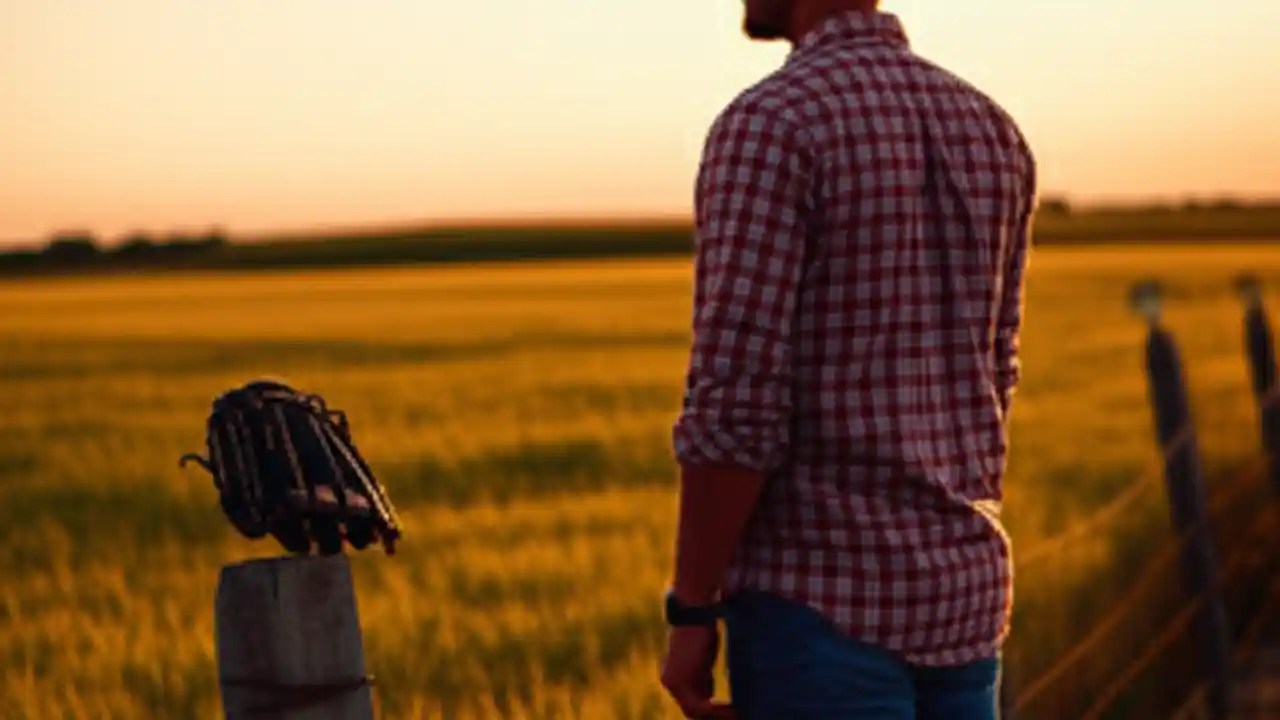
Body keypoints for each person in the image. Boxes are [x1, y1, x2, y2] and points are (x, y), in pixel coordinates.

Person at [660, 0, 1036, 718]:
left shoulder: (770, 126)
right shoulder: (992, 129)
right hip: (965, 608)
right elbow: (997, 374)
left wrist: (691, 609)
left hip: (817, 614)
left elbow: (737, 406)